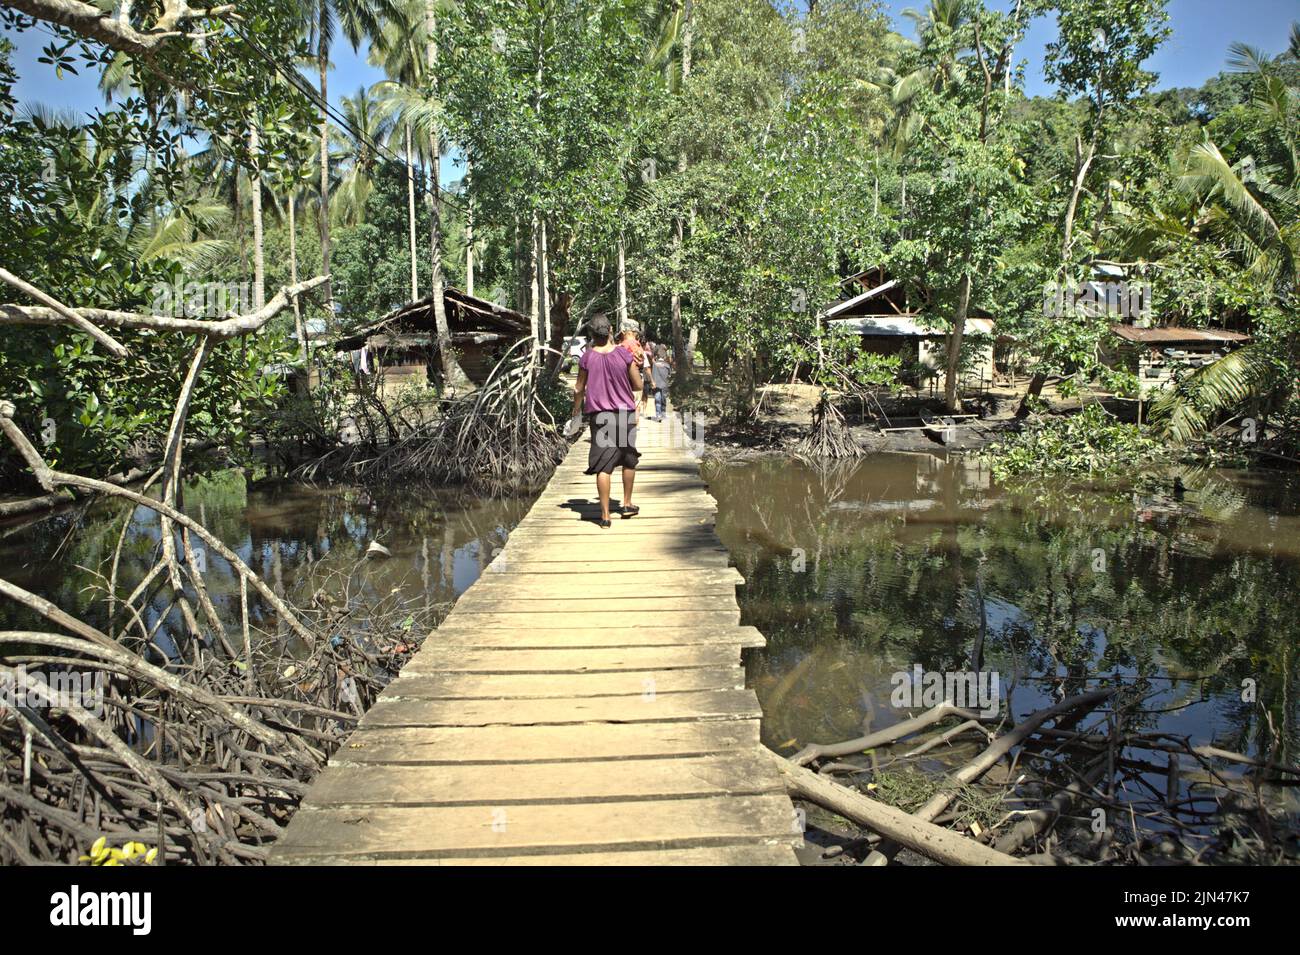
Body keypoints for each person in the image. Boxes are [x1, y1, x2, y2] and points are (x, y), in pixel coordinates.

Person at [570, 314, 643, 527]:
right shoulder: (623, 354)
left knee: (603, 464)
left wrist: (576, 410)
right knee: (628, 459)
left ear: (591, 335)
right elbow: (637, 385)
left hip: (599, 416)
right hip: (624, 414)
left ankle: (605, 516)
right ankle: (627, 505)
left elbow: (578, 388)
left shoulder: (587, 357)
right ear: (611, 330)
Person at [651, 343, 672, 421]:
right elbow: (669, 375)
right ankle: (663, 414)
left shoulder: (654, 365)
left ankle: (658, 415)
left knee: (657, 399)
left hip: (656, 384)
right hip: (664, 385)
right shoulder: (667, 365)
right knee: (663, 399)